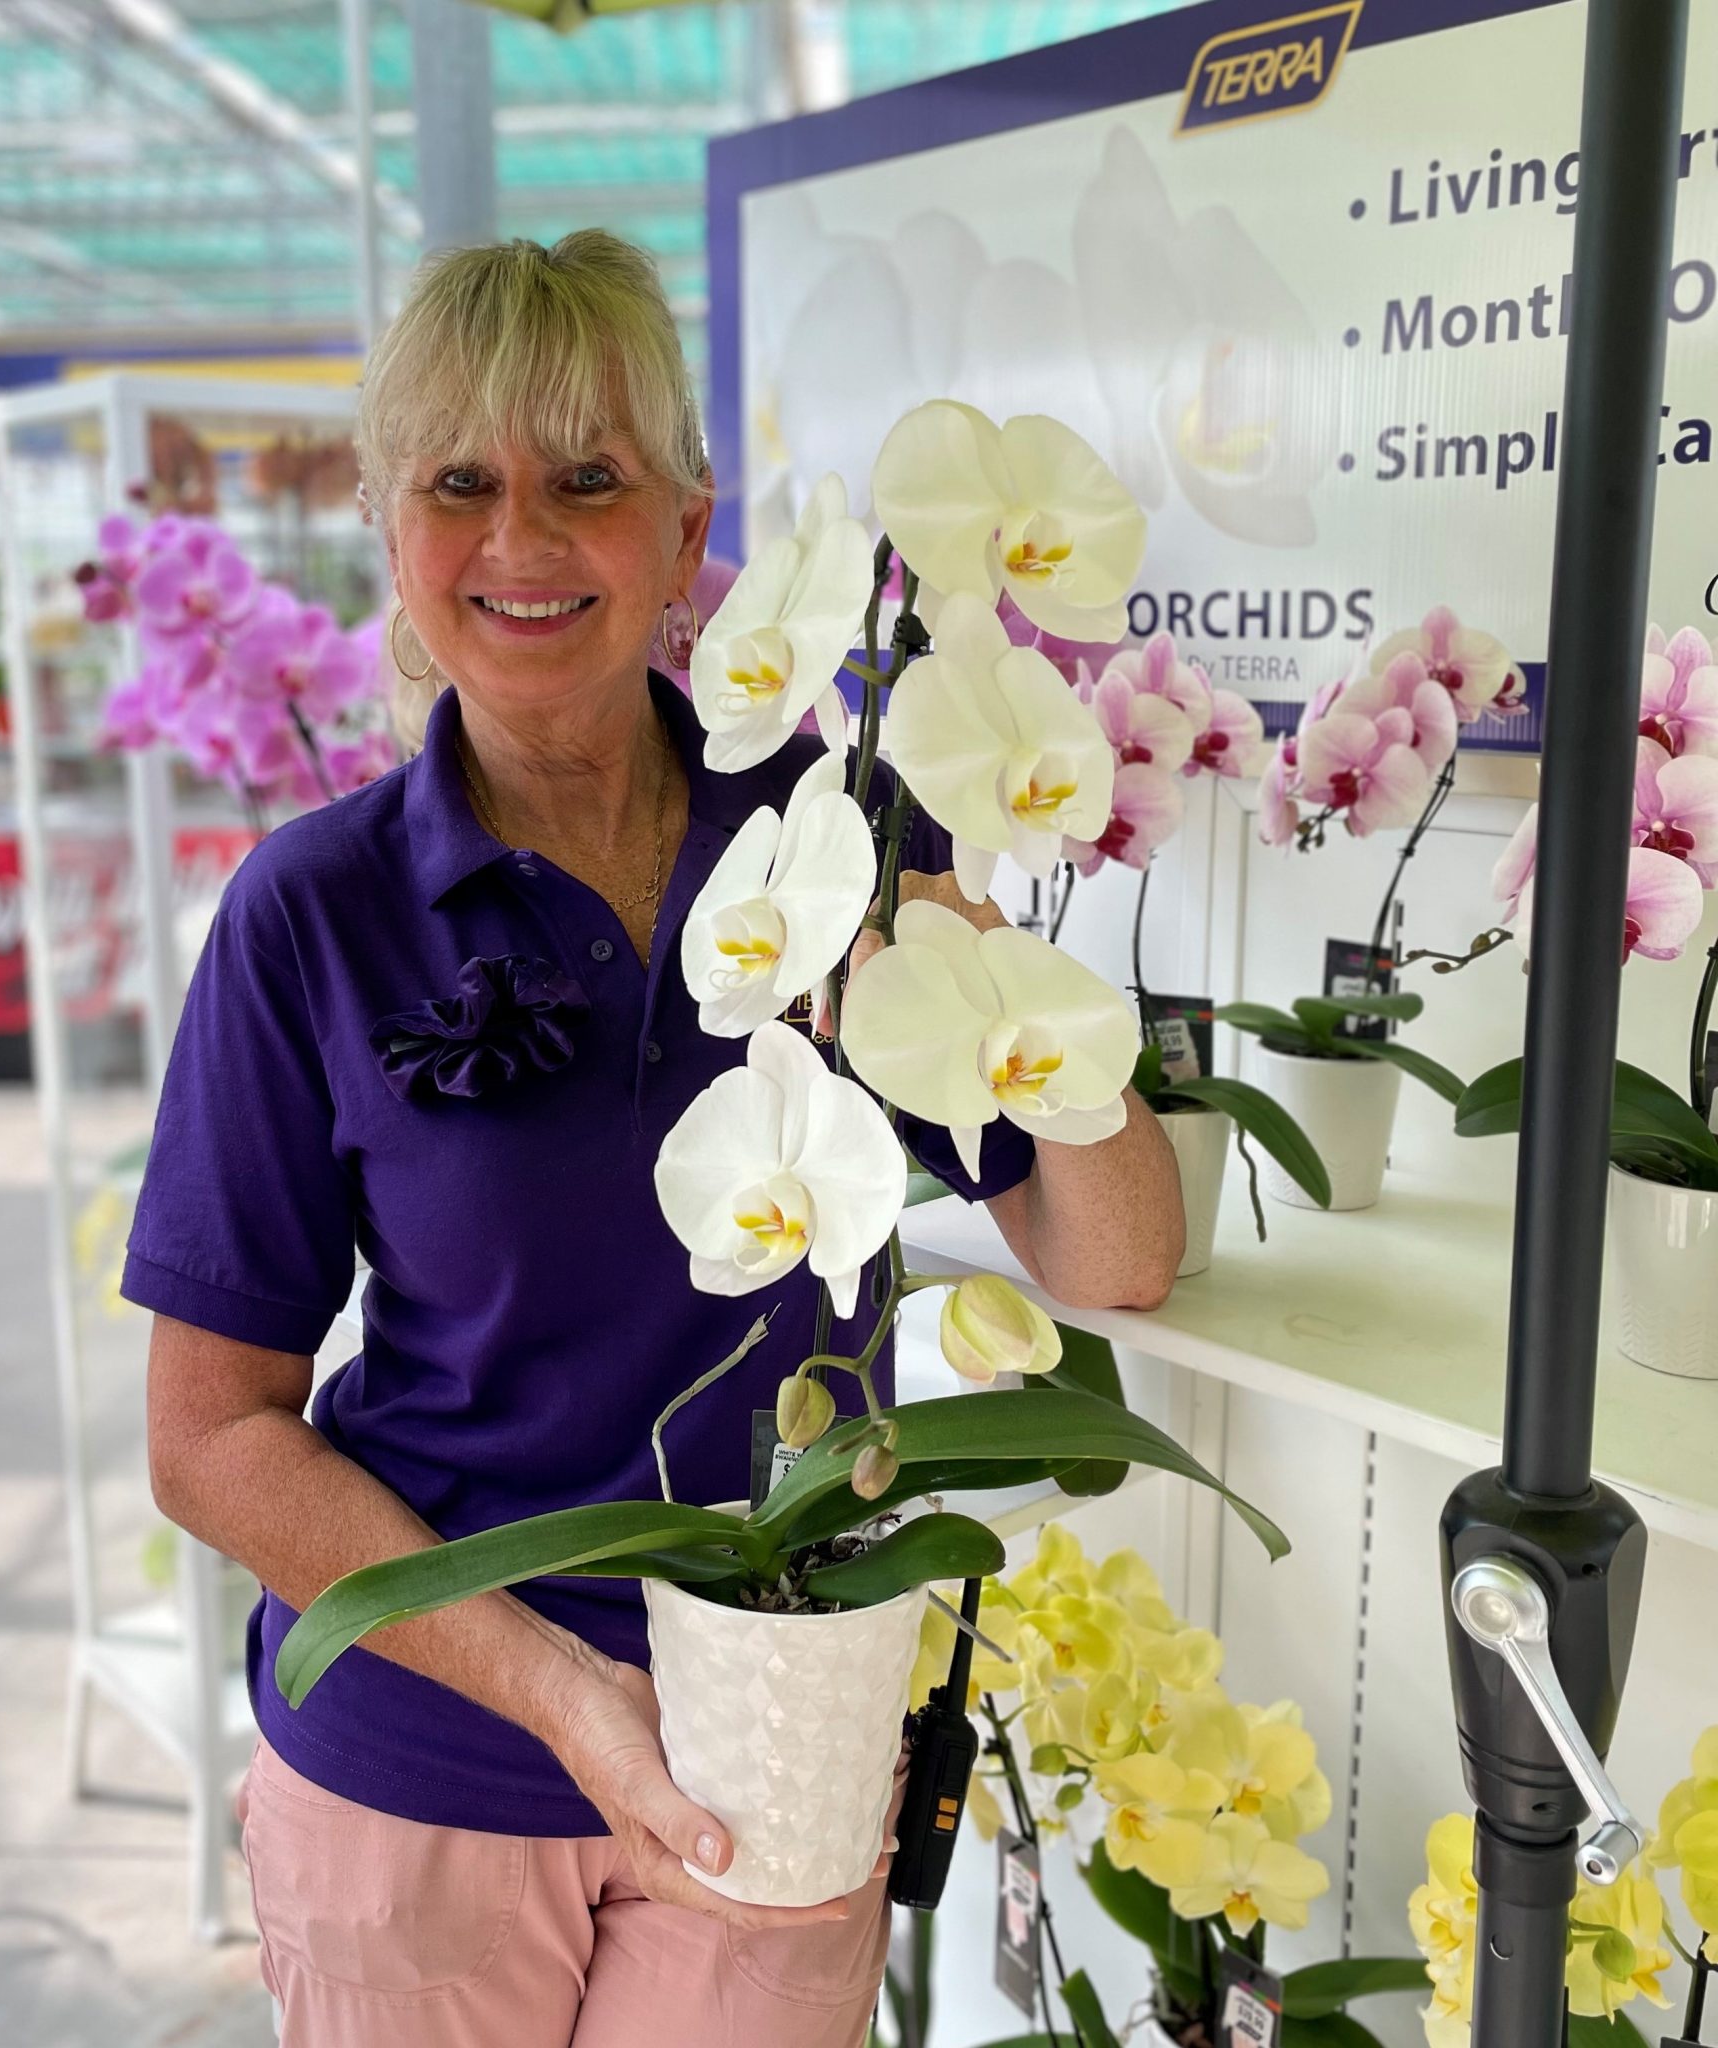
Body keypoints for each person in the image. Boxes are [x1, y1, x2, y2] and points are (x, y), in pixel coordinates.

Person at [127, 228, 1184, 2048]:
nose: (522, 543)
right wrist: (553, 1687)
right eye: (462, 482)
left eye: (589, 479)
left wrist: (957, 890)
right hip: (430, 1754)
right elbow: (210, 1436)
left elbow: (1118, 1255)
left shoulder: (828, 849)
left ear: (691, 522)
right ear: (391, 524)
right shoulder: (317, 913)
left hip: (776, 1729)